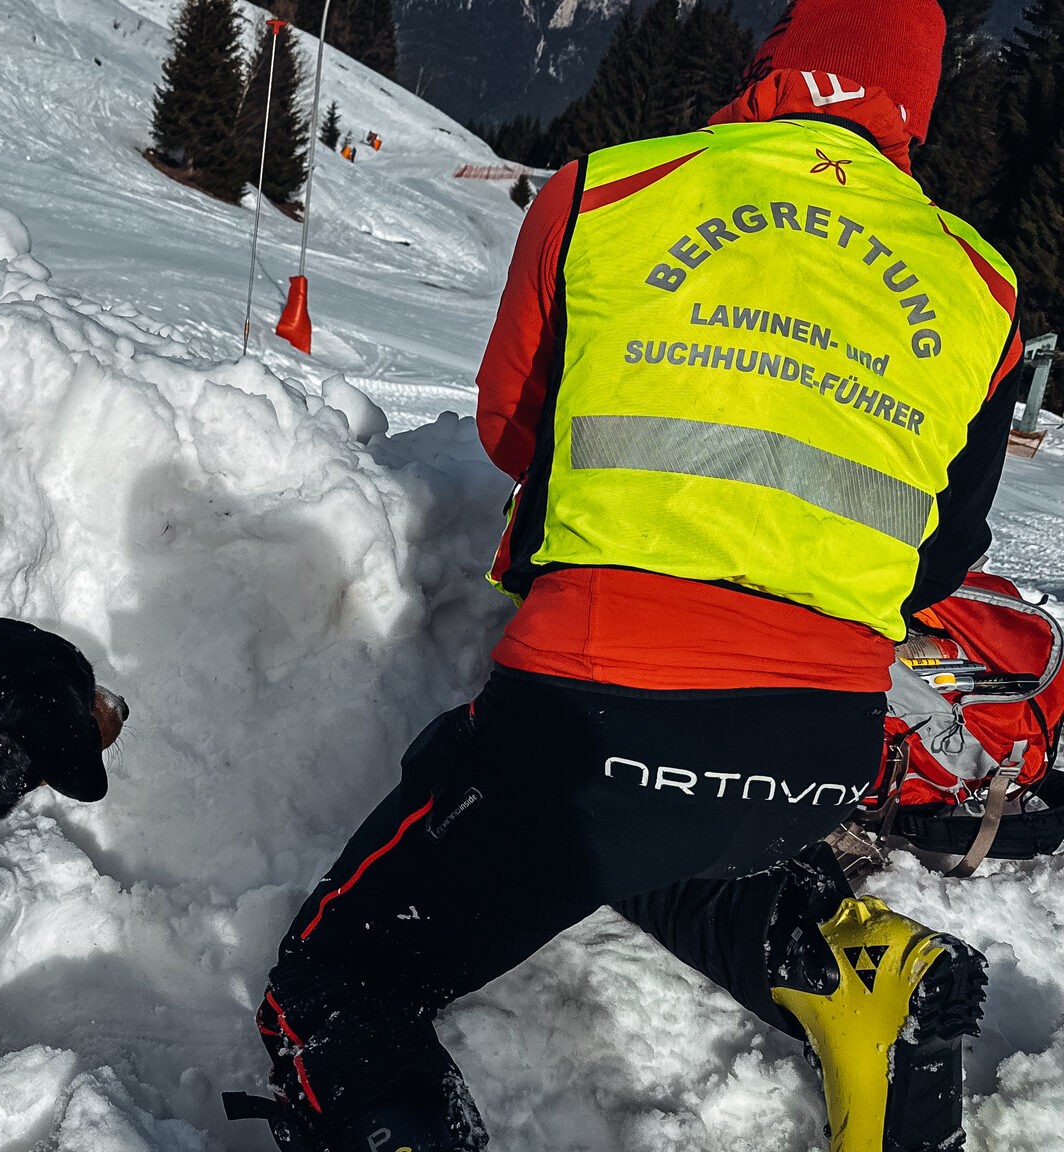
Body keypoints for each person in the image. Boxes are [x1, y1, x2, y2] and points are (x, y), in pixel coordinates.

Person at [233, 2, 1023, 1149]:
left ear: (774, 58)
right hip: (817, 751)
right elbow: (943, 550)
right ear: (918, 102)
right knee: (648, 835)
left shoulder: (608, 191)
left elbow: (512, 430)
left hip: (593, 710)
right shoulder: (979, 286)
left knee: (340, 983)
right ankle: (842, 970)